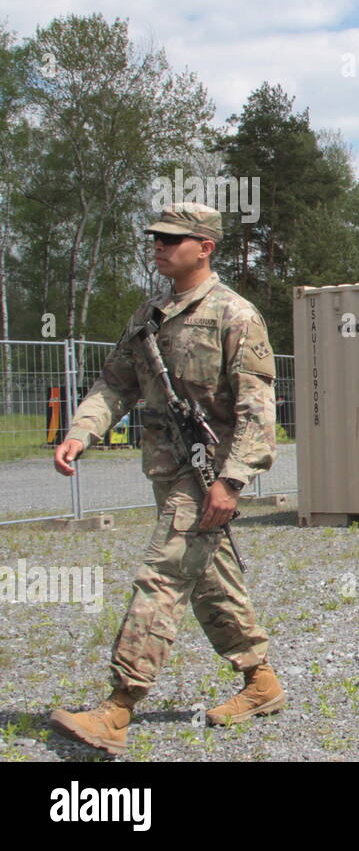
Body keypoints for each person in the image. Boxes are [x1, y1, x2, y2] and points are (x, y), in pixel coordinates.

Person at [48, 202, 283, 755]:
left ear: (205, 247)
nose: (159, 246)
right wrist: (82, 432)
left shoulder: (236, 315)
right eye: (155, 237)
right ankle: (261, 681)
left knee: (165, 573)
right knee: (209, 580)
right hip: (165, 468)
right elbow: (115, 383)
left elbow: (257, 413)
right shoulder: (149, 314)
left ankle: (118, 707)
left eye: (172, 239)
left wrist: (231, 482)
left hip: (208, 475)